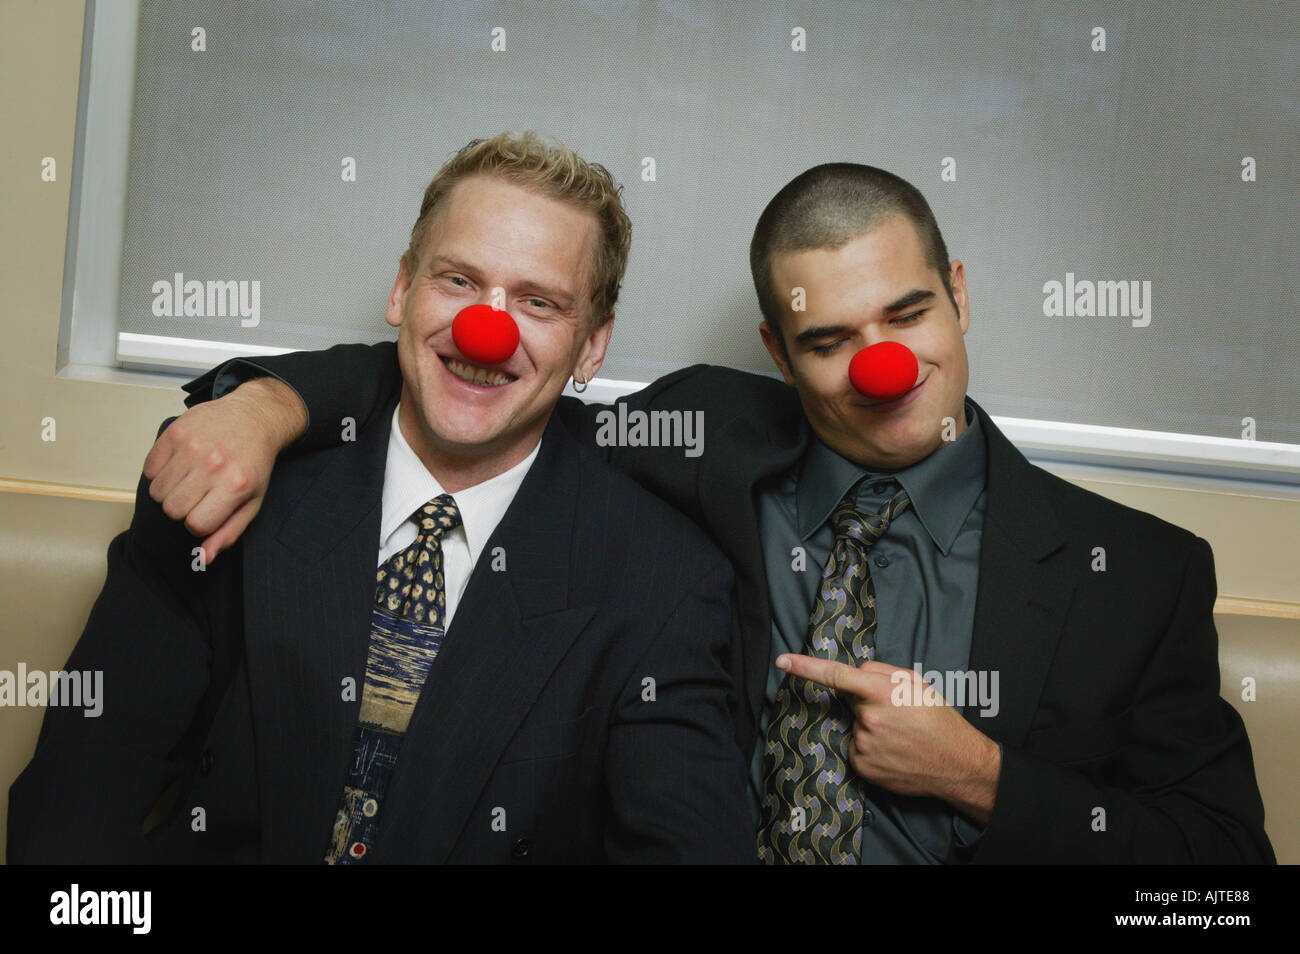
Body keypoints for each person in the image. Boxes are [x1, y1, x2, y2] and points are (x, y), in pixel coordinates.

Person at [124, 161, 1274, 864]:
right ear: (777, 351)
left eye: (910, 312)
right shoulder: (699, 443)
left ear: (960, 293)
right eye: (829, 340)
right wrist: (271, 402)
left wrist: (981, 776)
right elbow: (485, 386)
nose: (882, 367)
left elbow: (1216, 882)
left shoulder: (1136, 572)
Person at [7, 132, 754, 864]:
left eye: (538, 302)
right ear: (403, 288)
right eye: (457, 281)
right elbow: (80, 797)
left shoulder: (663, 584)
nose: (482, 331)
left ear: (592, 345)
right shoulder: (225, 479)